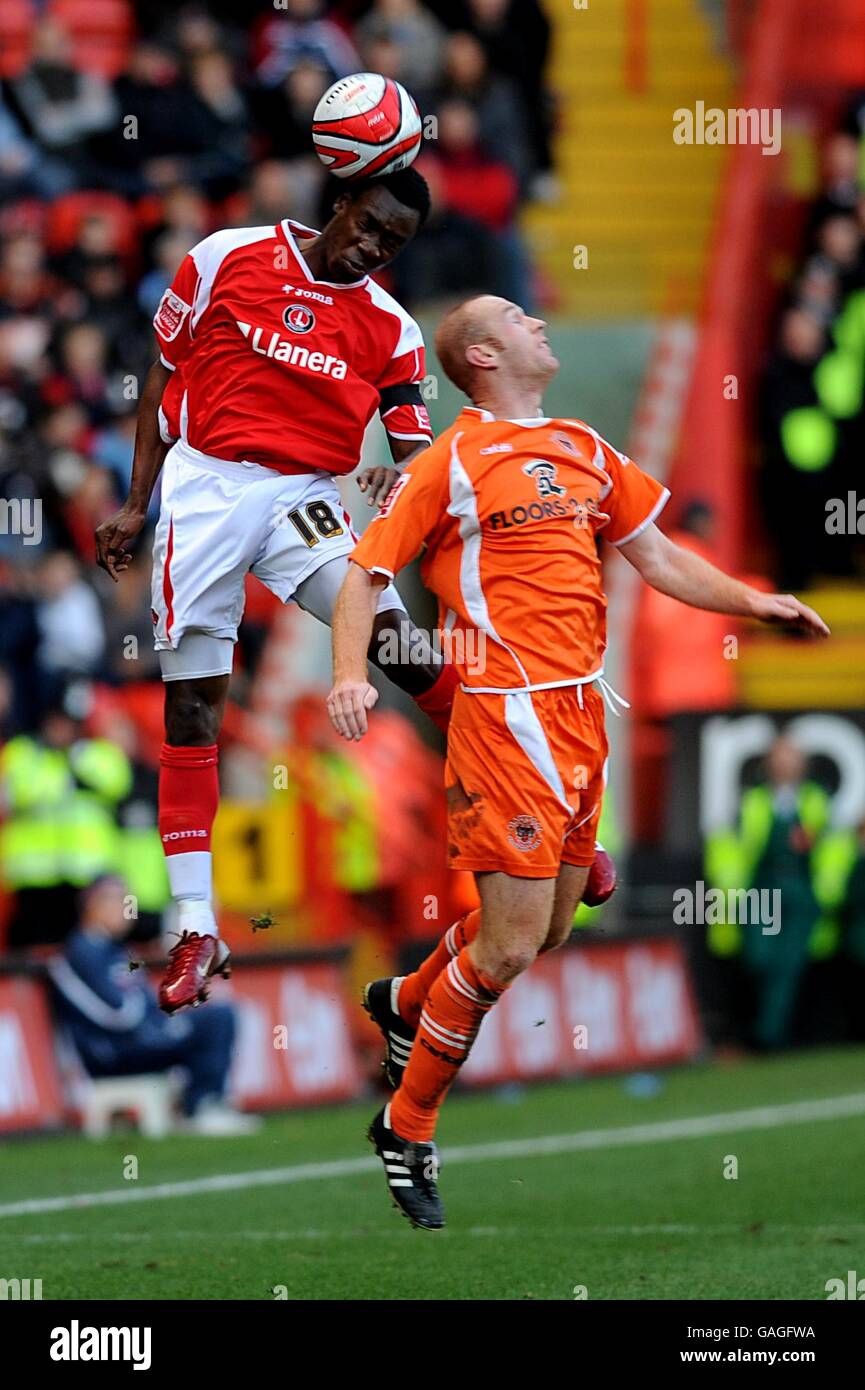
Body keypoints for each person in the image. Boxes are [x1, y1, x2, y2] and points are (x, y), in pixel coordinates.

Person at [326, 294, 830, 1229]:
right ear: (481, 353)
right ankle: (408, 1124)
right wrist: (349, 674)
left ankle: (403, 999)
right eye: (516, 316)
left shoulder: (583, 446)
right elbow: (363, 573)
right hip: (503, 717)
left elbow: (659, 557)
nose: (538, 322)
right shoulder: (450, 462)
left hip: (582, 713)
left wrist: (756, 603)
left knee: (546, 935)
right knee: (509, 944)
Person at [94, 168, 460, 1014]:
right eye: (367, 226)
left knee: (402, 650)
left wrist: (404, 488)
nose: (371, 248)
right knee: (191, 710)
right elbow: (160, 379)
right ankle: (197, 926)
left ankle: (534, 799)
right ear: (340, 205)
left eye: (391, 244)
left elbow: (414, 453)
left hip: (304, 500)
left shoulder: (392, 331)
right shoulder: (227, 256)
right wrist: (135, 502)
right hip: (205, 488)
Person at [49, 876, 255, 1135]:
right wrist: (157, 1023)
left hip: (137, 1039)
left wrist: (162, 1017)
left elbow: (140, 1000)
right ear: (93, 905)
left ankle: (204, 1101)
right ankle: (202, 1106)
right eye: (118, 902)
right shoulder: (81, 951)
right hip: (111, 1051)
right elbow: (115, 1013)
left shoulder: (116, 950)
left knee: (215, 1013)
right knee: (214, 1020)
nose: (126, 911)